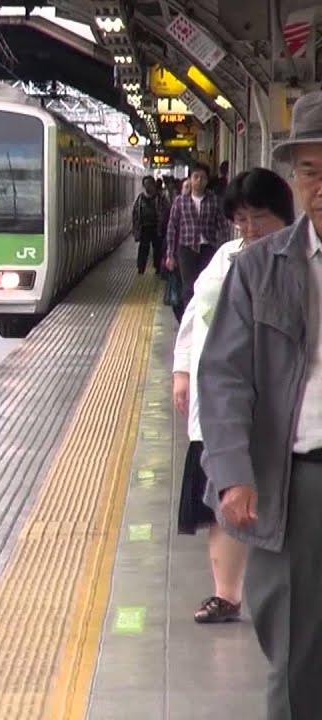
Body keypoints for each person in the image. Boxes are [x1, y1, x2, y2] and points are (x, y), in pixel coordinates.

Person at [199, 89, 322, 718]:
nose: (321, 186)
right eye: (310, 171)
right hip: (296, 482)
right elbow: (223, 376)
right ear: (295, 180)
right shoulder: (258, 269)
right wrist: (233, 472)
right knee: (296, 652)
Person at [173, 168, 294, 626]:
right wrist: (182, 368)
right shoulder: (226, 257)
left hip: (274, 408)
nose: (249, 228)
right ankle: (226, 594)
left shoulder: (296, 264)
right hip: (221, 401)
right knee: (221, 495)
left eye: (258, 217)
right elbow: (194, 313)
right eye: (241, 219)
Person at [165, 164, 231, 314]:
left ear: (207, 181)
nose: (199, 181)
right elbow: (172, 227)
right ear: (190, 179)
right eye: (196, 177)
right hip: (186, 249)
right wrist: (170, 255)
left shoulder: (214, 201)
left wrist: (224, 249)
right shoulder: (180, 201)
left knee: (207, 285)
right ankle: (189, 317)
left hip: (208, 248)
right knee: (188, 287)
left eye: (203, 178)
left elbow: (223, 226)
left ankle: (203, 315)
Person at [131, 176, 168, 274]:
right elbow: (135, 214)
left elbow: (165, 212)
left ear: (154, 185)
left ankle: (158, 267)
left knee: (157, 248)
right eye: (146, 184)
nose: (148, 186)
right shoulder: (140, 199)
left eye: (150, 184)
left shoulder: (160, 198)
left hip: (157, 227)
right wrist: (135, 228)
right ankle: (141, 267)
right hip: (144, 227)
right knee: (143, 248)